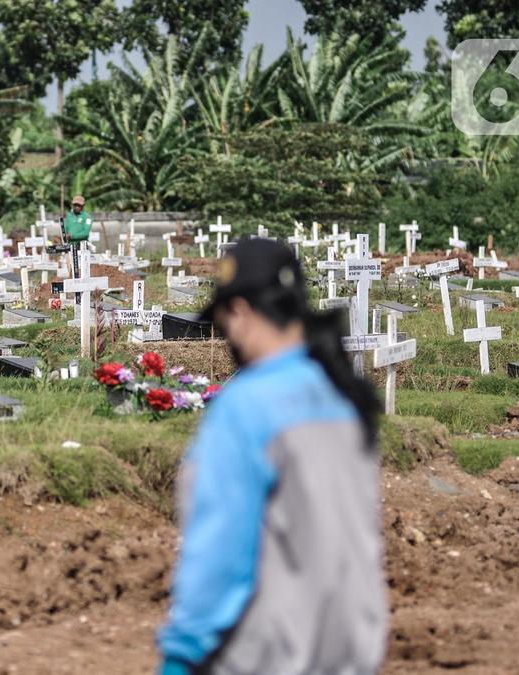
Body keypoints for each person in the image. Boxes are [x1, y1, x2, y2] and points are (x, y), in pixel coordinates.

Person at [157, 238, 386, 675]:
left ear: (240, 311)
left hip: (268, 656)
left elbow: (221, 551)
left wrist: (182, 654)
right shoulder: (344, 398)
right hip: (350, 653)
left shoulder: (247, 407)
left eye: (222, 323)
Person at [62, 195, 92, 277]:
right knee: (70, 269)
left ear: (83, 206)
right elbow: (65, 228)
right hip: (70, 246)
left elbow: (85, 233)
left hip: (82, 246)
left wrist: (72, 236)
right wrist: (64, 236)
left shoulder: (87, 217)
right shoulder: (69, 216)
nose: (77, 207)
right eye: (75, 205)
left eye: (79, 205)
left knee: (82, 269)